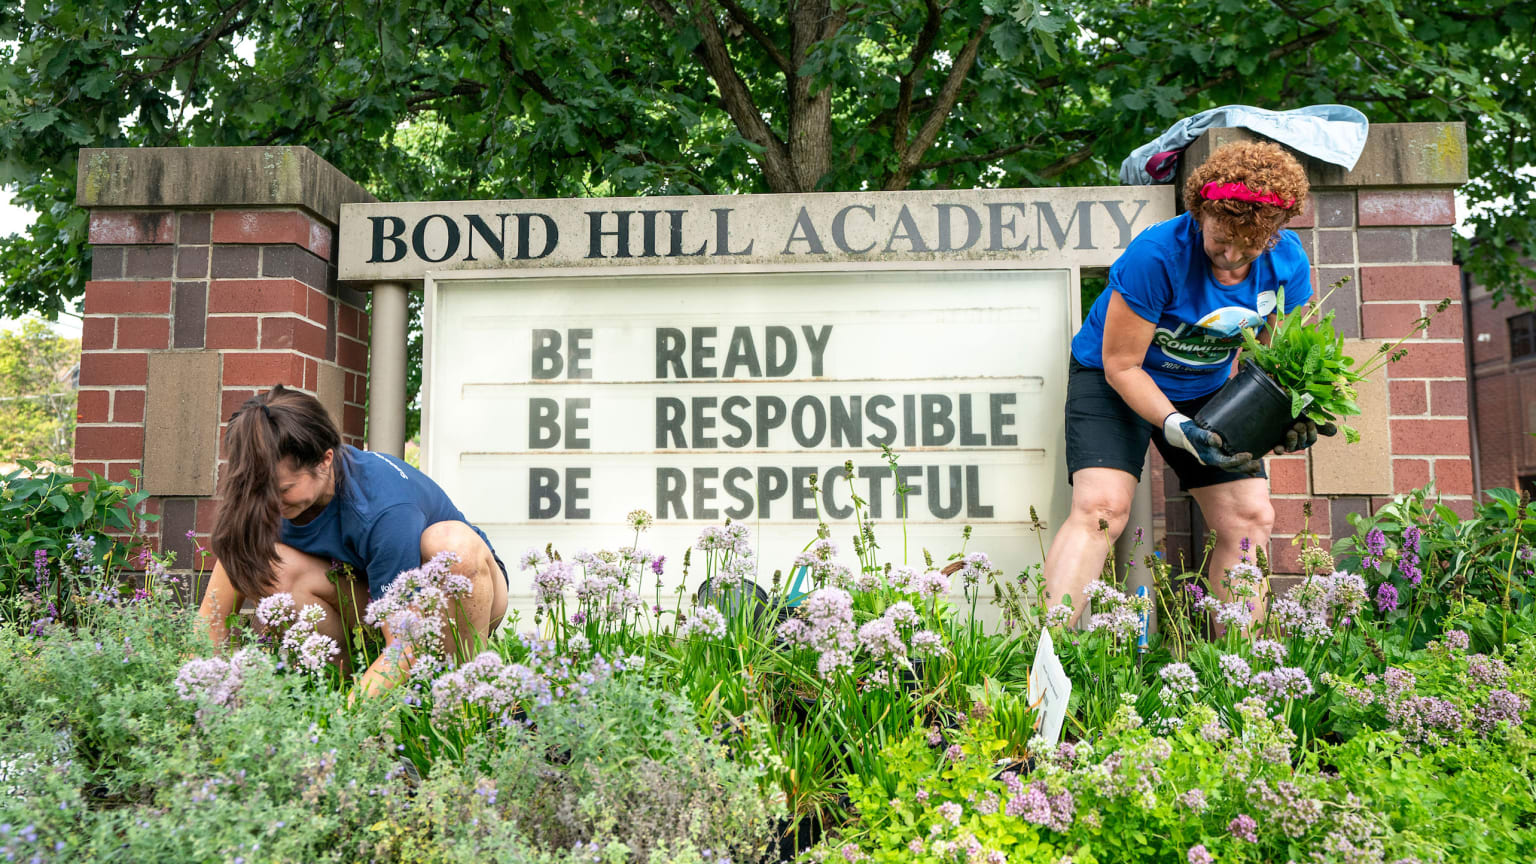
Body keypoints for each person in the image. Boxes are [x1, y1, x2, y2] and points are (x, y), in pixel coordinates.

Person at [1044, 140, 1329, 621]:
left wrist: (1289, 414)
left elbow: (1272, 364)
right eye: (1222, 238)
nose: (1233, 255)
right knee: (1102, 509)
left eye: (1250, 245)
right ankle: (1046, 661)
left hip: (1208, 387)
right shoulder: (1156, 255)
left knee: (1249, 518)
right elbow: (1121, 366)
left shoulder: (1287, 264)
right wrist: (1178, 426)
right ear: (1200, 210)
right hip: (1114, 380)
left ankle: (1242, 669)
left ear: (1275, 235)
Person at [196, 384, 508, 695]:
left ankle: (462, 702)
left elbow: (403, 647)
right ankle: (344, 690)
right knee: (270, 569)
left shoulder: (383, 509)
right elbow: (210, 621)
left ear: (325, 459)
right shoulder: (260, 499)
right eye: (260, 492)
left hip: (453, 598)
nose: (270, 505)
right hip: (369, 603)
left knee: (450, 545)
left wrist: (336, 732)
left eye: (284, 490)